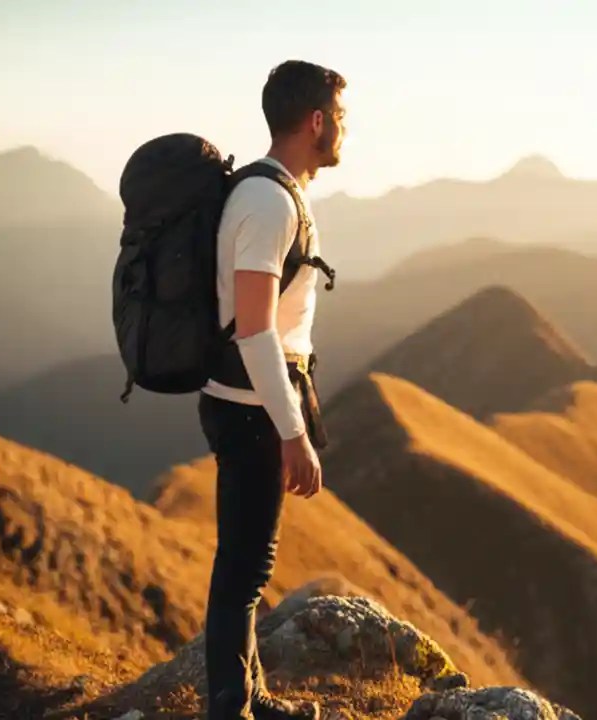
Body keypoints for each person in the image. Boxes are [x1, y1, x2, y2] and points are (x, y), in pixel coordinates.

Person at [196, 59, 347, 720]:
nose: (345, 131)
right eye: (341, 117)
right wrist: (292, 433)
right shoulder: (266, 201)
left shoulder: (274, 191)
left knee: (248, 563)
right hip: (250, 407)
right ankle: (231, 709)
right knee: (242, 570)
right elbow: (254, 329)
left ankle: (247, 696)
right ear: (315, 120)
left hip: (252, 401)